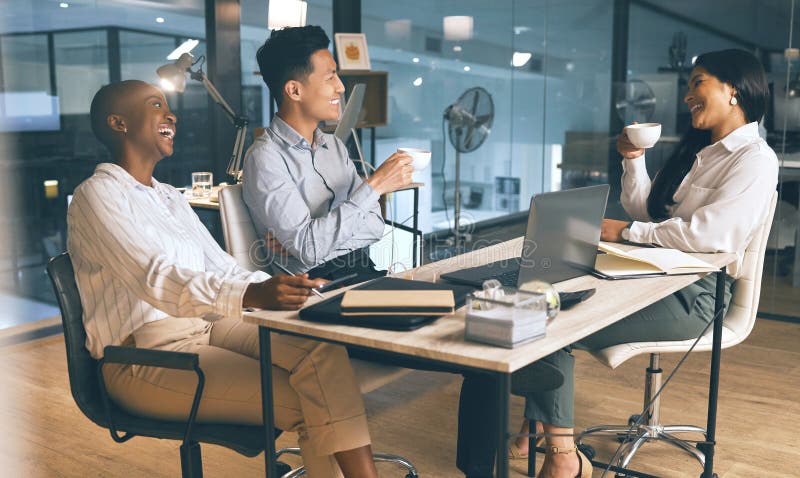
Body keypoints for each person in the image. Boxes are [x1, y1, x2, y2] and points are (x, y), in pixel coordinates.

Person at [465, 49, 779, 478]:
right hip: (655, 274)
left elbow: (710, 236)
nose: (687, 94)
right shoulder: (703, 151)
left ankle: (564, 459)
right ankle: (535, 427)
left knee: (554, 321)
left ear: (734, 90)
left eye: (697, 81)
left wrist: (626, 233)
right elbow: (650, 211)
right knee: (540, 292)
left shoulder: (755, 160)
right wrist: (633, 160)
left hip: (695, 295)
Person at [68, 80, 381, 478]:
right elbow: (156, 278)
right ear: (118, 123)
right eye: (155, 105)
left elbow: (222, 266)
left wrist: (282, 290)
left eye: (168, 107)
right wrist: (251, 293)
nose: (171, 115)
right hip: (142, 357)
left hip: (205, 327)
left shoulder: (168, 196)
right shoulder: (96, 195)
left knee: (320, 350)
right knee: (313, 400)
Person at [242, 25, 413, 282]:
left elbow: (376, 227)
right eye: (330, 77)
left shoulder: (334, 146)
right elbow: (310, 250)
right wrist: (374, 185)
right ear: (294, 90)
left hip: (363, 272)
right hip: (319, 288)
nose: (341, 87)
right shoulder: (265, 158)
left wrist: (314, 240)